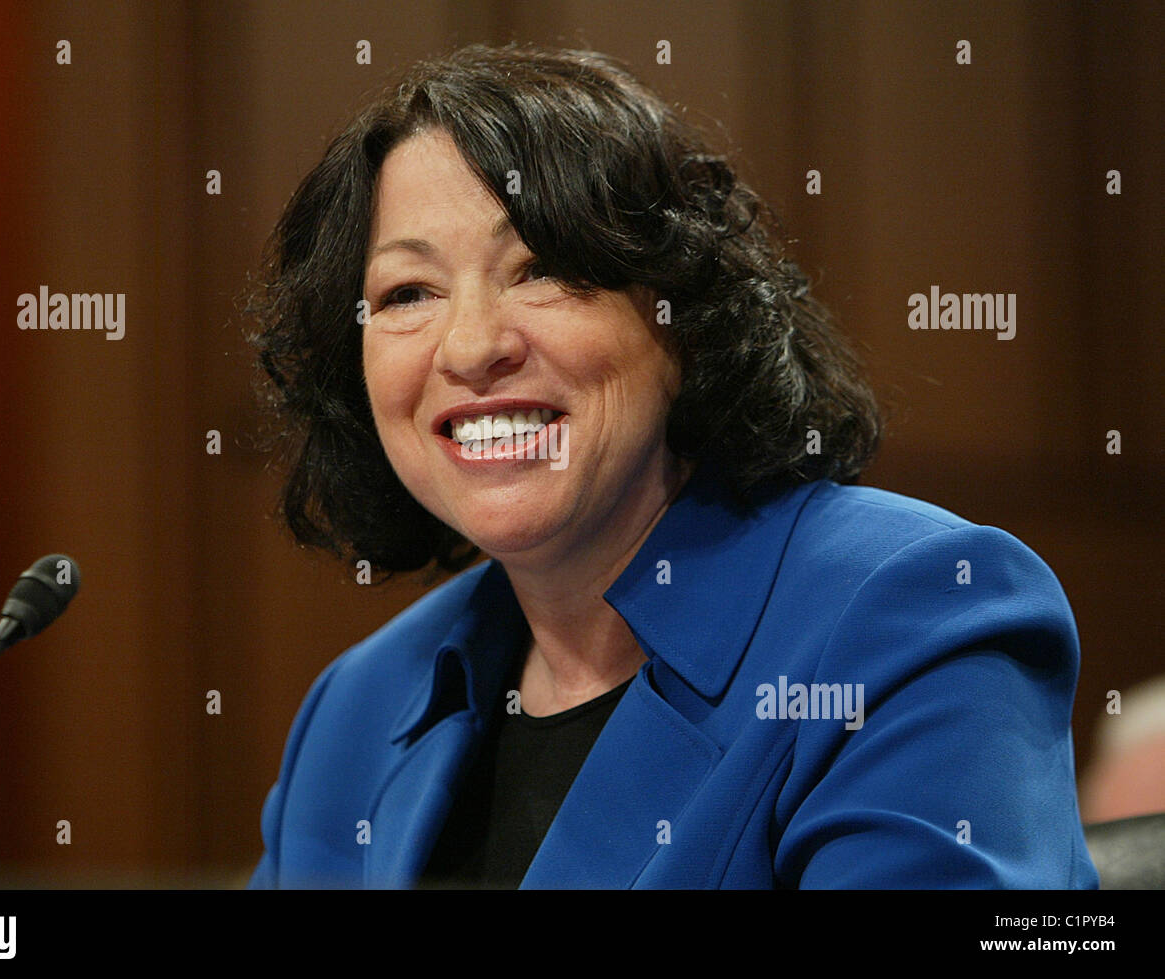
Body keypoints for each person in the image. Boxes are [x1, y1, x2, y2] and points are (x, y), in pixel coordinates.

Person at [244, 42, 1098, 889]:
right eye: (408, 293)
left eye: (543, 268)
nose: (470, 346)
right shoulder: (354, 714)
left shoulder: (914, 615)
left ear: (683, 314)